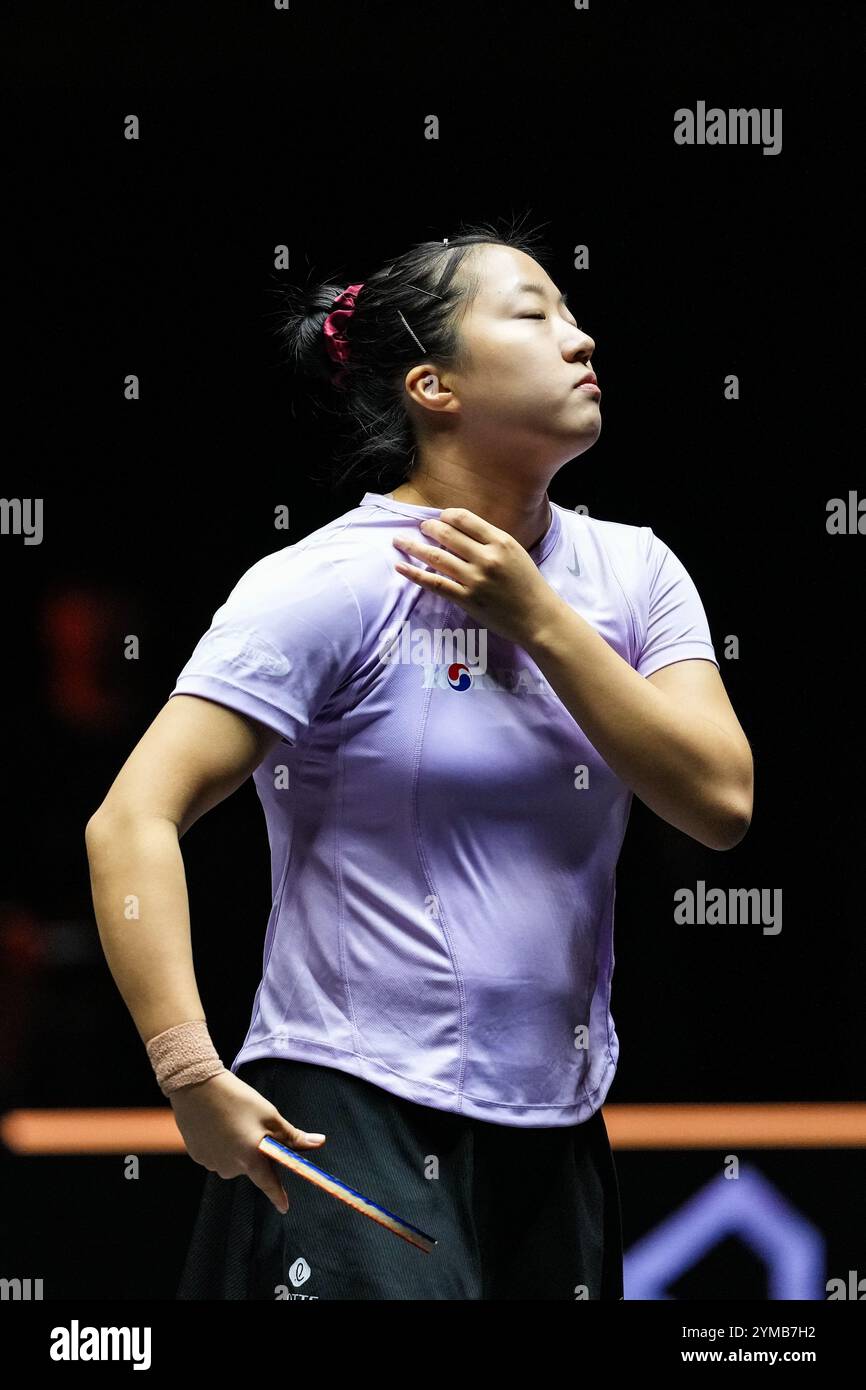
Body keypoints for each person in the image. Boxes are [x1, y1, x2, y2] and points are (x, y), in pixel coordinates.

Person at [85, 216, 753, 1301]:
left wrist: (537, 616)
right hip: (348, 1100)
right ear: (432, 386)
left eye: (574, 315)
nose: (579, 339)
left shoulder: (633, 574)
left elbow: (719, 801)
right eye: (533, 314)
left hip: (555, 1121)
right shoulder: (331, 583)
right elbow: (129, 820)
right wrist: (189, 1071)